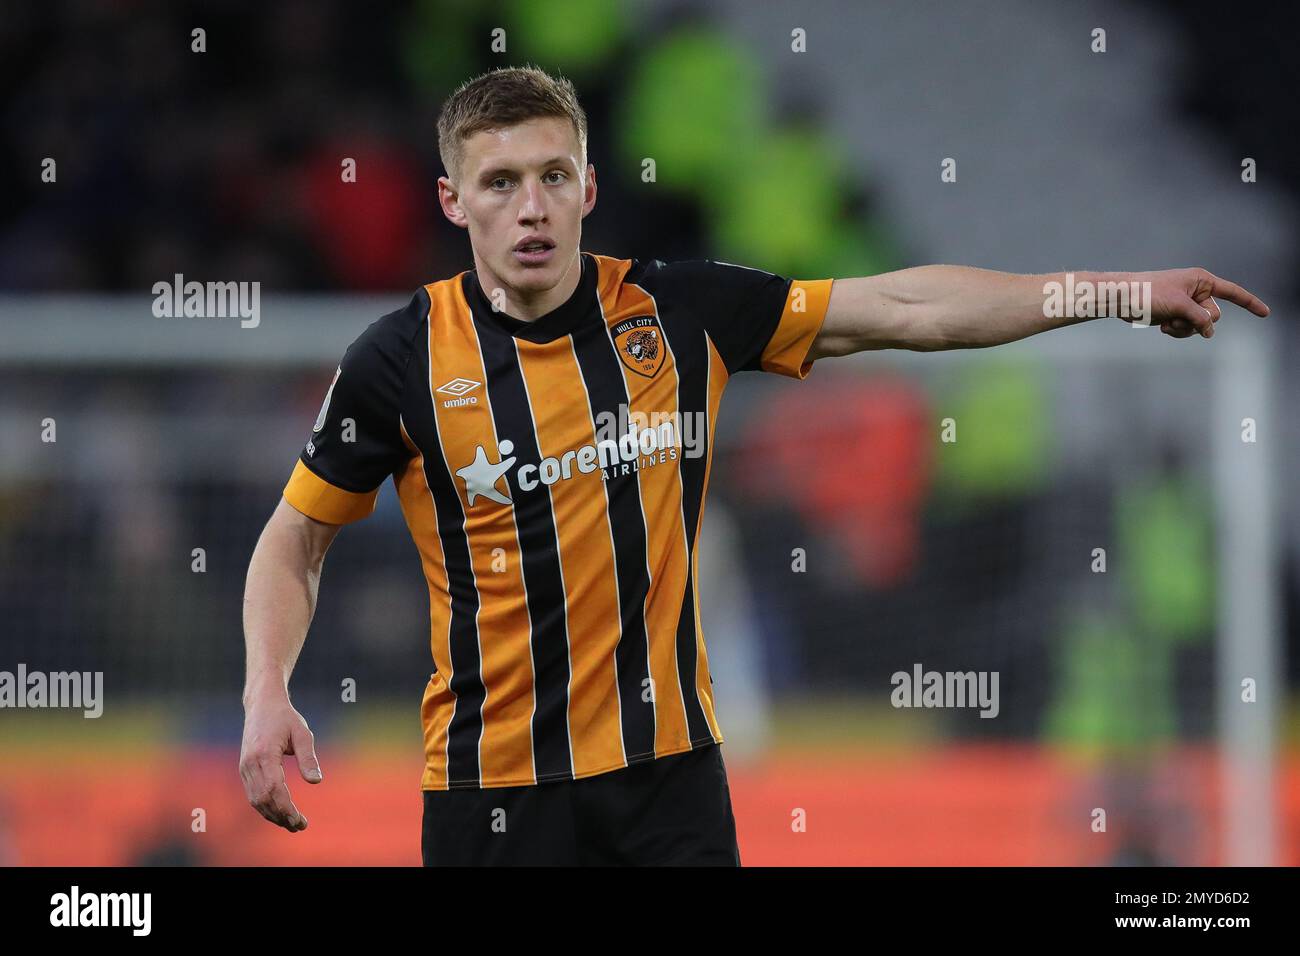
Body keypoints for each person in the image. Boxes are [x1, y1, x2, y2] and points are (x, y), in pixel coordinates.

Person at [239, 65, 1270, 866]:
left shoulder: (679, 309)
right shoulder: (398, 358)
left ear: (590, 186)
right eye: (500, 182)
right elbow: (296, 537)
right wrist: (264, 689)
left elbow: (905, 309)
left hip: (671, 782)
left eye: (553, 176)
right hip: (490, 792)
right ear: (454, 201)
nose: (532, 207)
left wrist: (1117, 293)